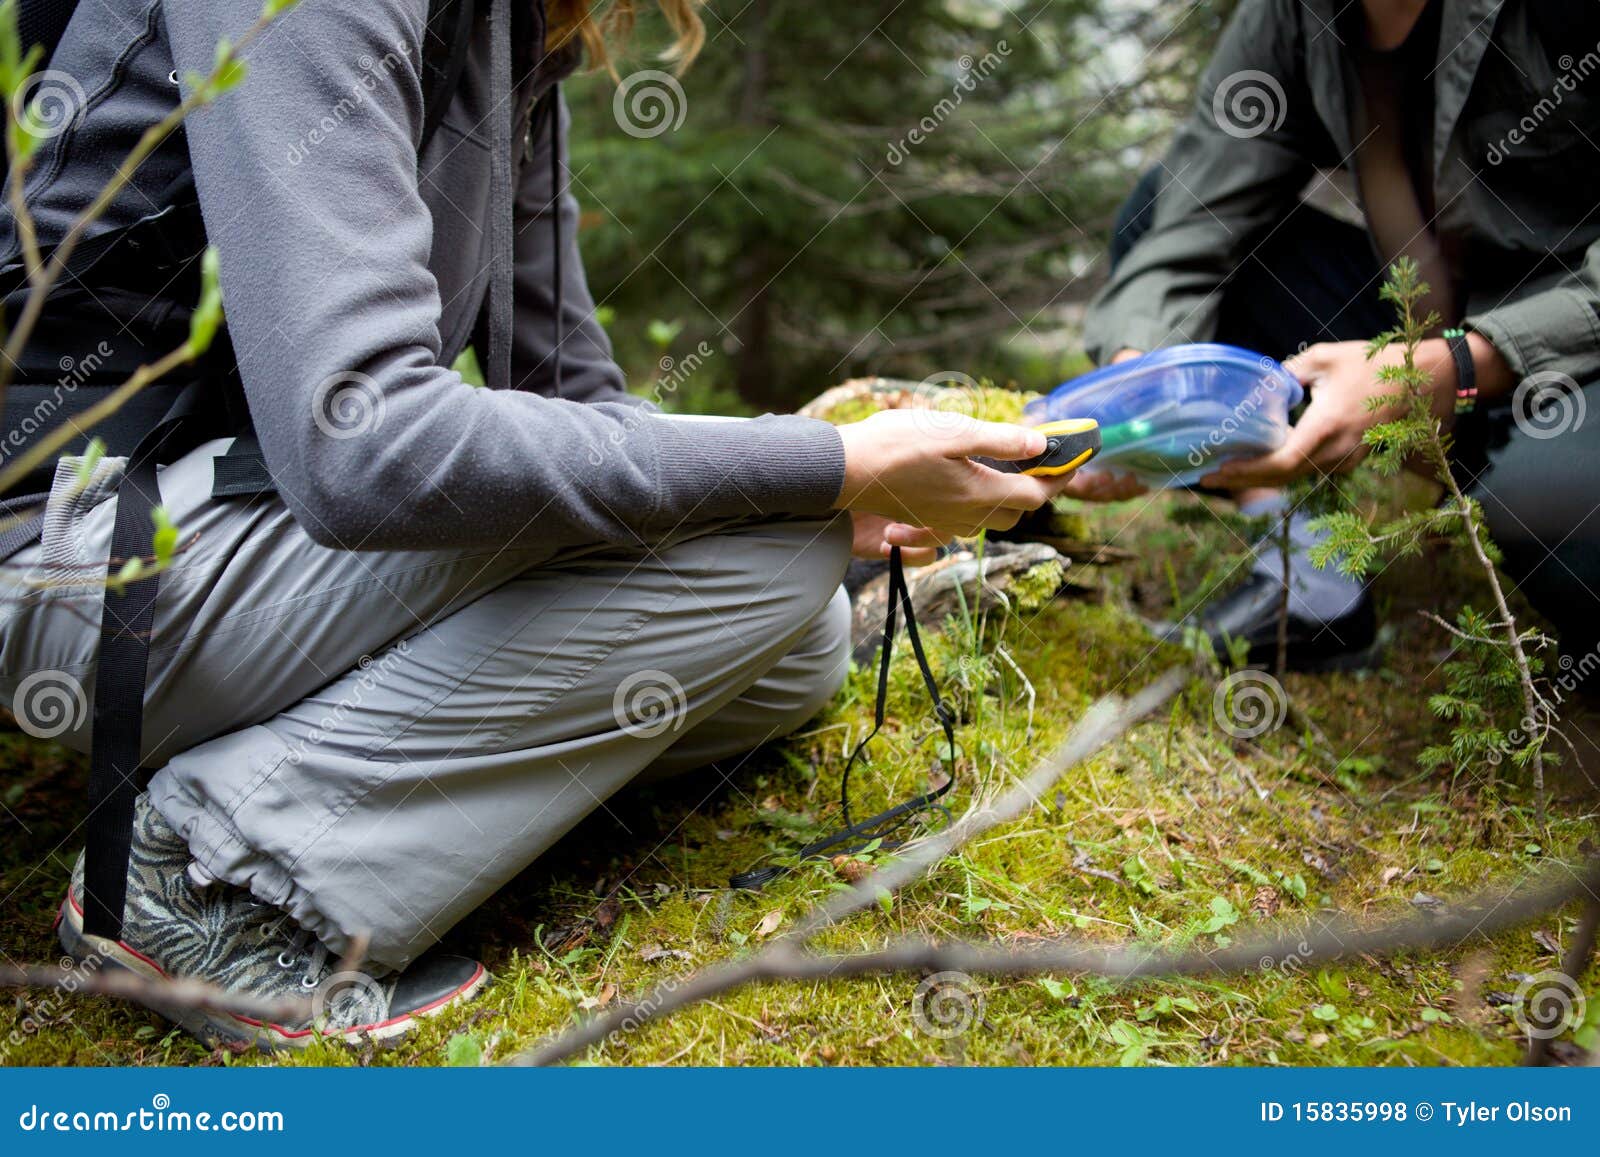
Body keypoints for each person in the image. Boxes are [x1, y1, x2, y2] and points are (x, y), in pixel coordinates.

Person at [0, 0, 1076, 1048]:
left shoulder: (514, 32)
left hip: (239, 520)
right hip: (76, 545)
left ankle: (311, 772)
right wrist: (824, 464)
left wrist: (828, 489)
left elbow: (573, 390)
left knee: (798, 637)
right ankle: (211, 879)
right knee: (772, 548)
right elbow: (363, 447)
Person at [1071, 0, 1600, 670]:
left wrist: (1451, 368)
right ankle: (1310, 582)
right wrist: (1140, 389)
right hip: (1429, 330)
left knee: (1552, 506)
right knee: (1158, 215)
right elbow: (1189, 226)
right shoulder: (1291, 17)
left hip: (1576, 358)